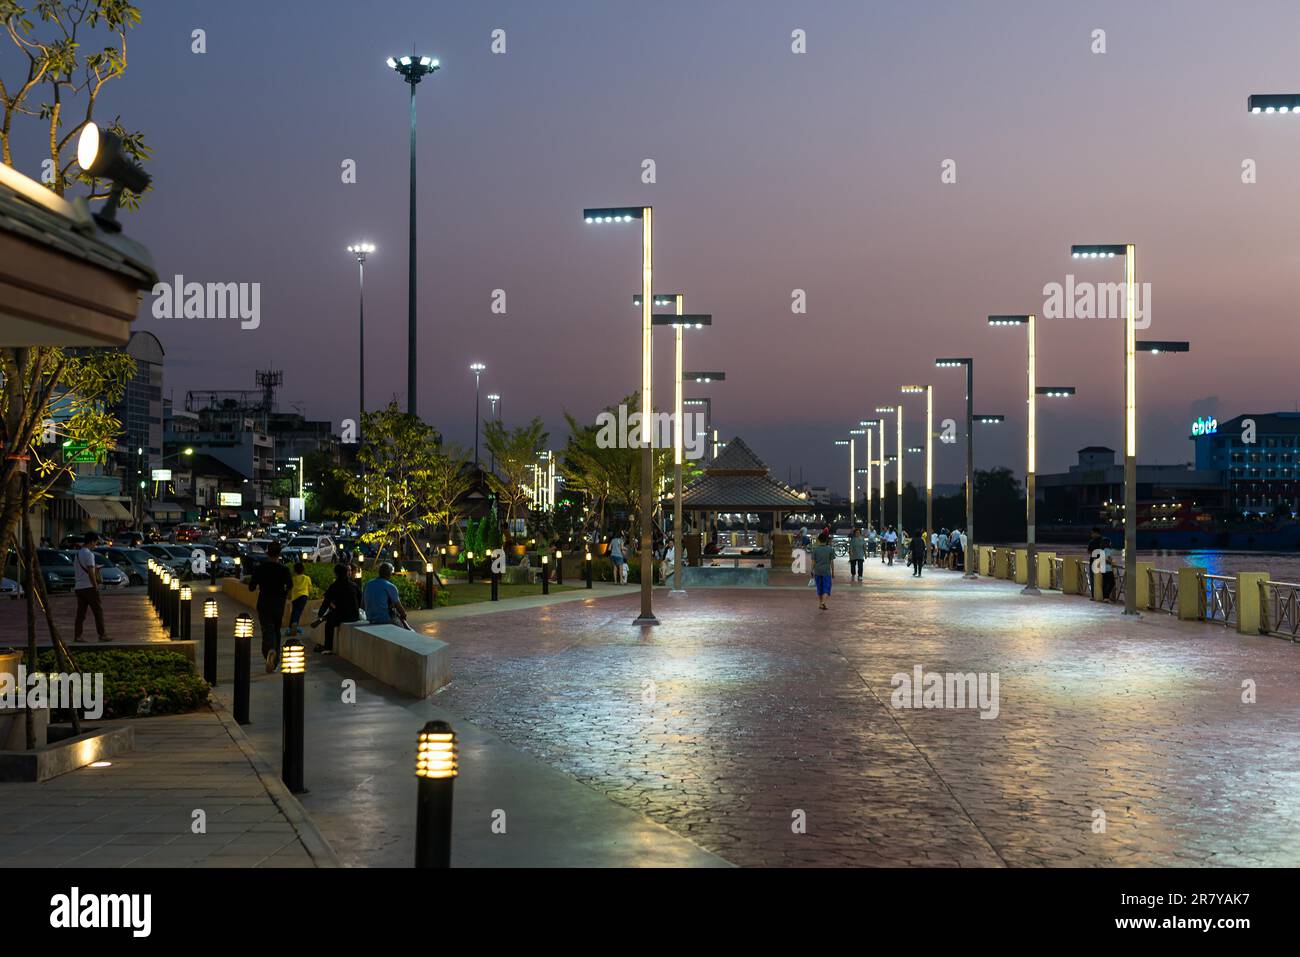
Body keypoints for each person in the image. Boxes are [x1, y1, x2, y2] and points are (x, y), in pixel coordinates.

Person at [248, 541, 293, 671]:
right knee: (276, 630)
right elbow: (290, 586)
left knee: (267, 629)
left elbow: (251, 587)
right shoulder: (284, 569)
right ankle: (275, 658)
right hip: (279, 603)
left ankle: (269, 651)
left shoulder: (260, 568)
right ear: (279, 554)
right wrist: (285, 596)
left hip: (264, 602)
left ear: (267, 553)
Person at [313, 562, 360, 654]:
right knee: (334, 612)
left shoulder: (334, 586)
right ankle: (325, 617)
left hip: (342, 616)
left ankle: (328, 647)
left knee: (329, 624)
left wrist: (319, 614)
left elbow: (326, 602)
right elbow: (359, 599)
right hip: (354, 615)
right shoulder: (354, 585)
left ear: (336, 573)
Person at [73, 531, 109, 643]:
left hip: (79, 587)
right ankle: (102, 635)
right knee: (98, 611)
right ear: (92, 541)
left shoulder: (78, 554)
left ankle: (77, 636)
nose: (96, 545)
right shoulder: (89, 554)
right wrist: (95, 586)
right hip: (89, 587)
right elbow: (90, 572)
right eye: (96, 542)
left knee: (81, 614)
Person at [363, 561, 408, 627]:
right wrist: (404, 615)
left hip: (370, 618)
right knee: (403, 625)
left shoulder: (368, 584)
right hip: (384, 620)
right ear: (390, 573)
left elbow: (362, 604)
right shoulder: (390, 586)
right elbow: (399, 607)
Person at [811, 530, 836, 610]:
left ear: (818, 540)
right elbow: (831, 562)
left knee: (819, 588)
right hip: (826, 571)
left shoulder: (815, 549)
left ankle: (820, 603)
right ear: (826, 540)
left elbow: (813, 562)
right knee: (827, 588)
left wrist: (811, 570)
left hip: (817, 571)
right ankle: (823, 603)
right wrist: (833, 572)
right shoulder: (830, 549)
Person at [288, 561, 311, 636]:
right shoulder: (307, 578)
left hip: (295, 598)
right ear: (303, 570)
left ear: (295, 570)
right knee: (298, 611)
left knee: (294, 611)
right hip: (304, 596)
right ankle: (295, 623)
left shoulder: (293, 579)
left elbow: (290, 588)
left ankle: (291, 626)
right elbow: (310, 588)